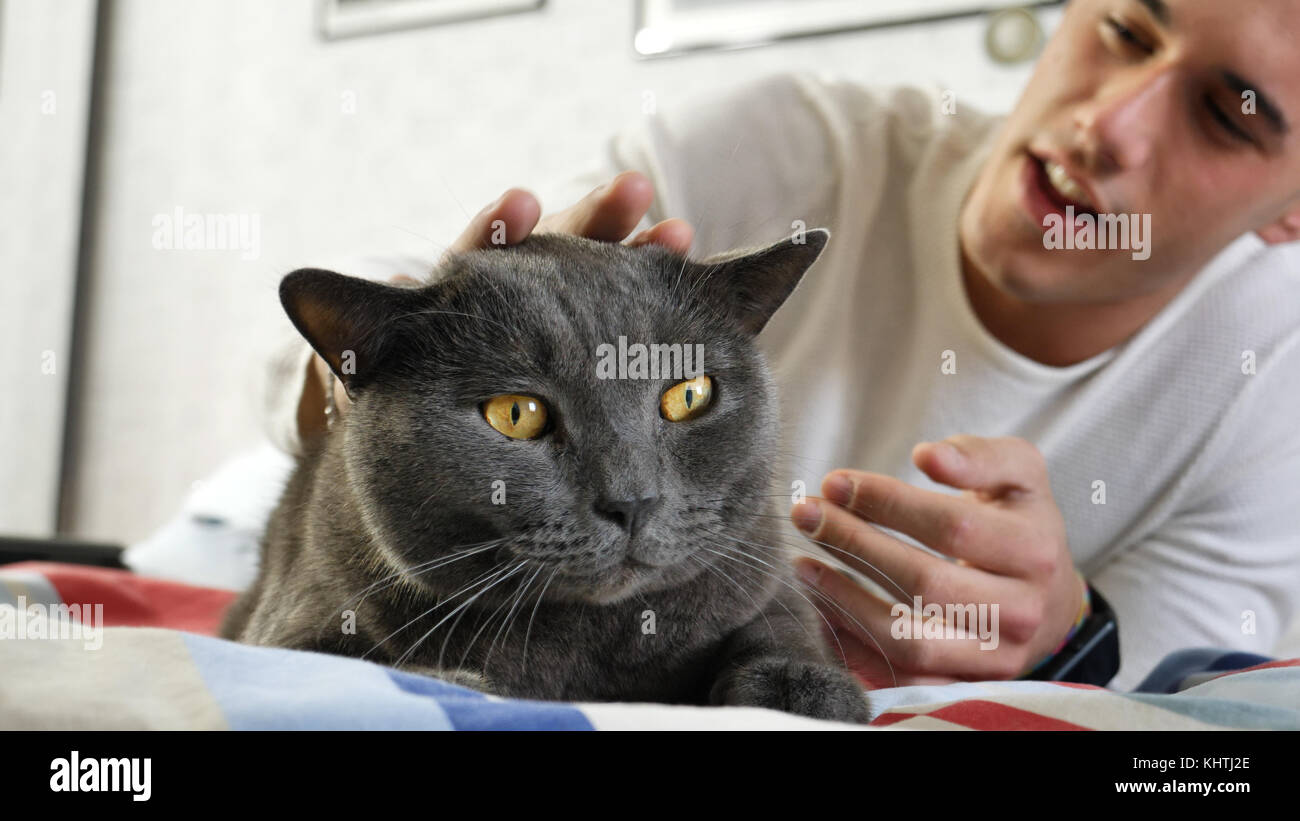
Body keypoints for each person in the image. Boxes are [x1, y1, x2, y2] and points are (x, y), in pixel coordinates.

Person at [272, 0, 1300, 691]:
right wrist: (373, 383)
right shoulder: (776, 150)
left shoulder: (1274, 382)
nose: (1110, 127)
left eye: (1227, 114)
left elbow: (1178, 693)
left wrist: (1075, 635)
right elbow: (302, 382)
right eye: (1125, 27)